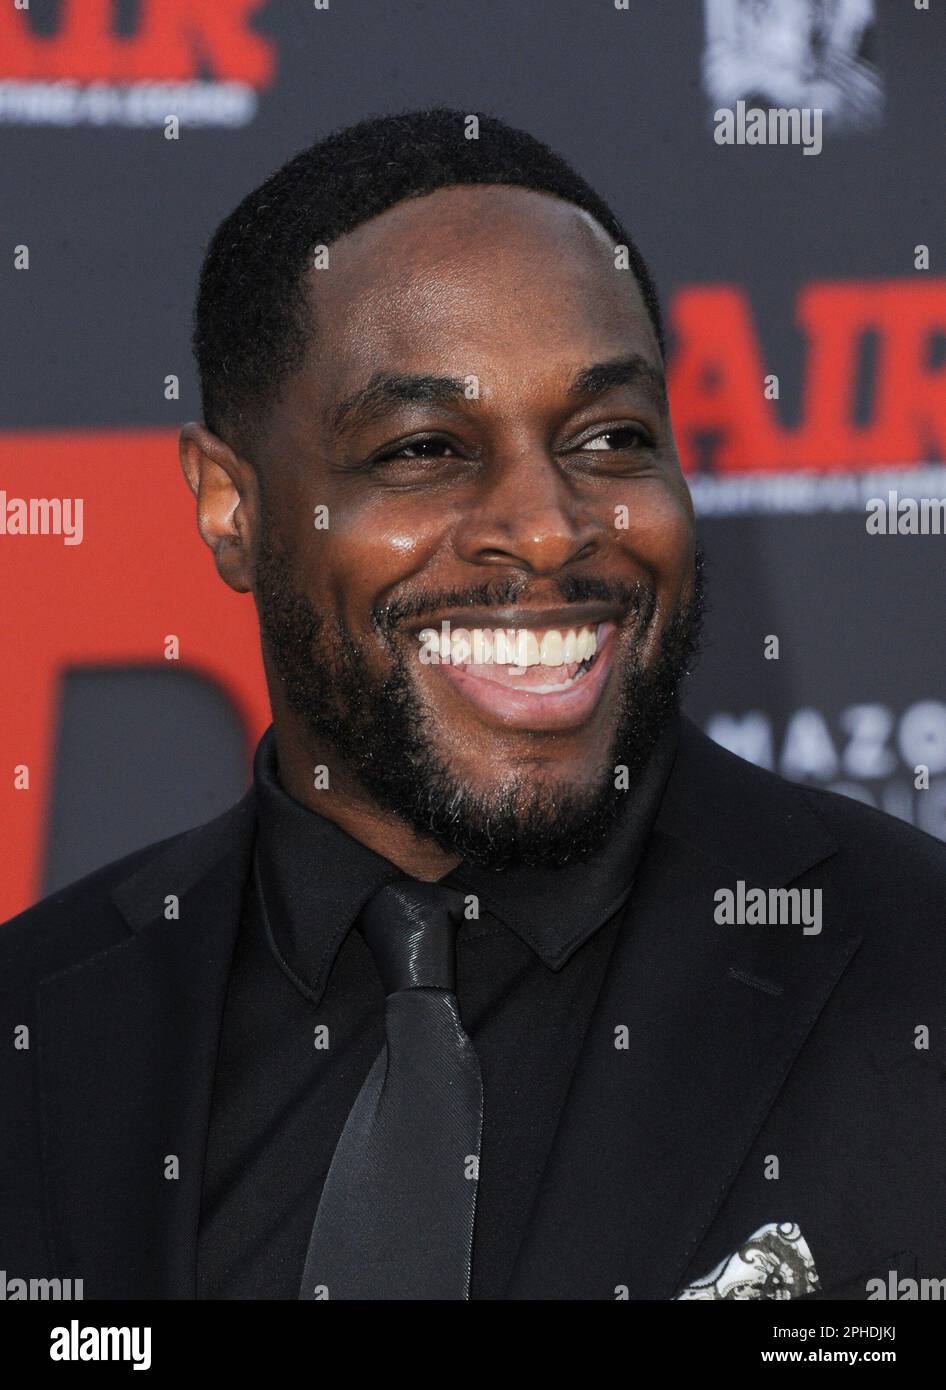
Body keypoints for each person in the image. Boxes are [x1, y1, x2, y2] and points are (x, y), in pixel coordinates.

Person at [2, 107, 944, 1302]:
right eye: (424, 449)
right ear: (229, 509)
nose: (548, 527)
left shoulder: (913, 975)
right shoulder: (35, 1020)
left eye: (609, 437)